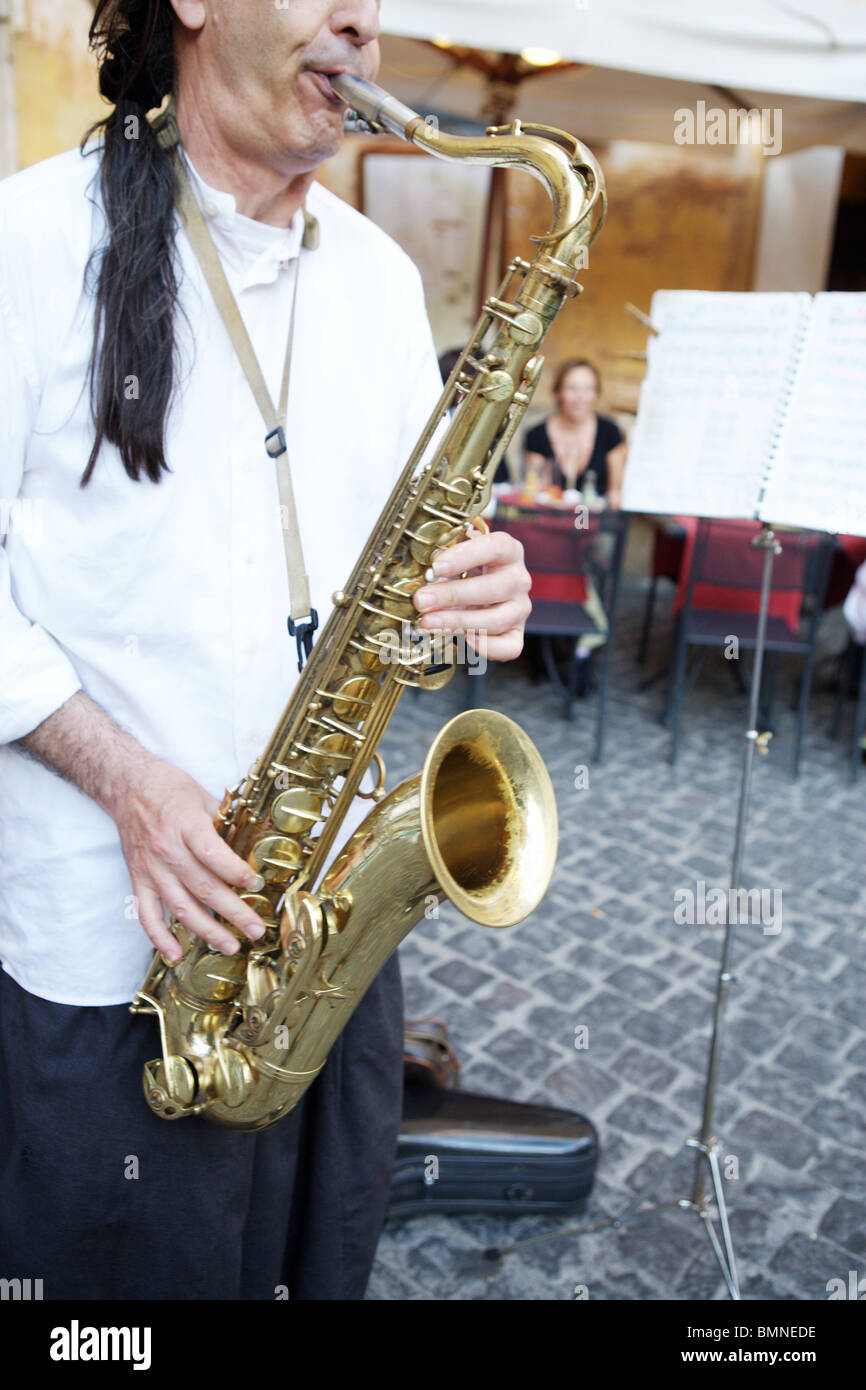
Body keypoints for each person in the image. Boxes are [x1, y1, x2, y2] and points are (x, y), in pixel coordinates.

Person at [0, 0, 531, 1302]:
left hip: (327, 932)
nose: (365, 18)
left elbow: (401, 599)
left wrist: (474, 600)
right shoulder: (25, 241)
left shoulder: (381, 279)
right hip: (111, 952)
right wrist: (127, 781)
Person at [524, 358, 627, 506]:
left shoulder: (610, 432)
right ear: (558, 392)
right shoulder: (537, 434)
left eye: (588, 389)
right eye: (572, 388)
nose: (580, 397)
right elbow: (536, 490)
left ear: (596, 394)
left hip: (595, 519)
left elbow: (615, 493)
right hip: (553, 518)